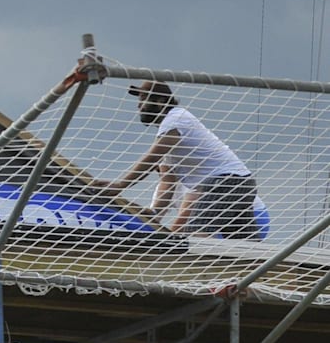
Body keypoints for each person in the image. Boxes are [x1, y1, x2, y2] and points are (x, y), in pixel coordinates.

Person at [100, 81, 262, 240]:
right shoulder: (170, 131)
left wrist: (120, 185)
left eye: (143, 99)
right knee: (245, 245)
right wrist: (155, 212)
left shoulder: (175, 120)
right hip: (242, 184)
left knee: (196, 231)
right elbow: (168, 180)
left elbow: (152, 159)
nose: (139, 106)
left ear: (160, 101)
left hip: (226, 183)